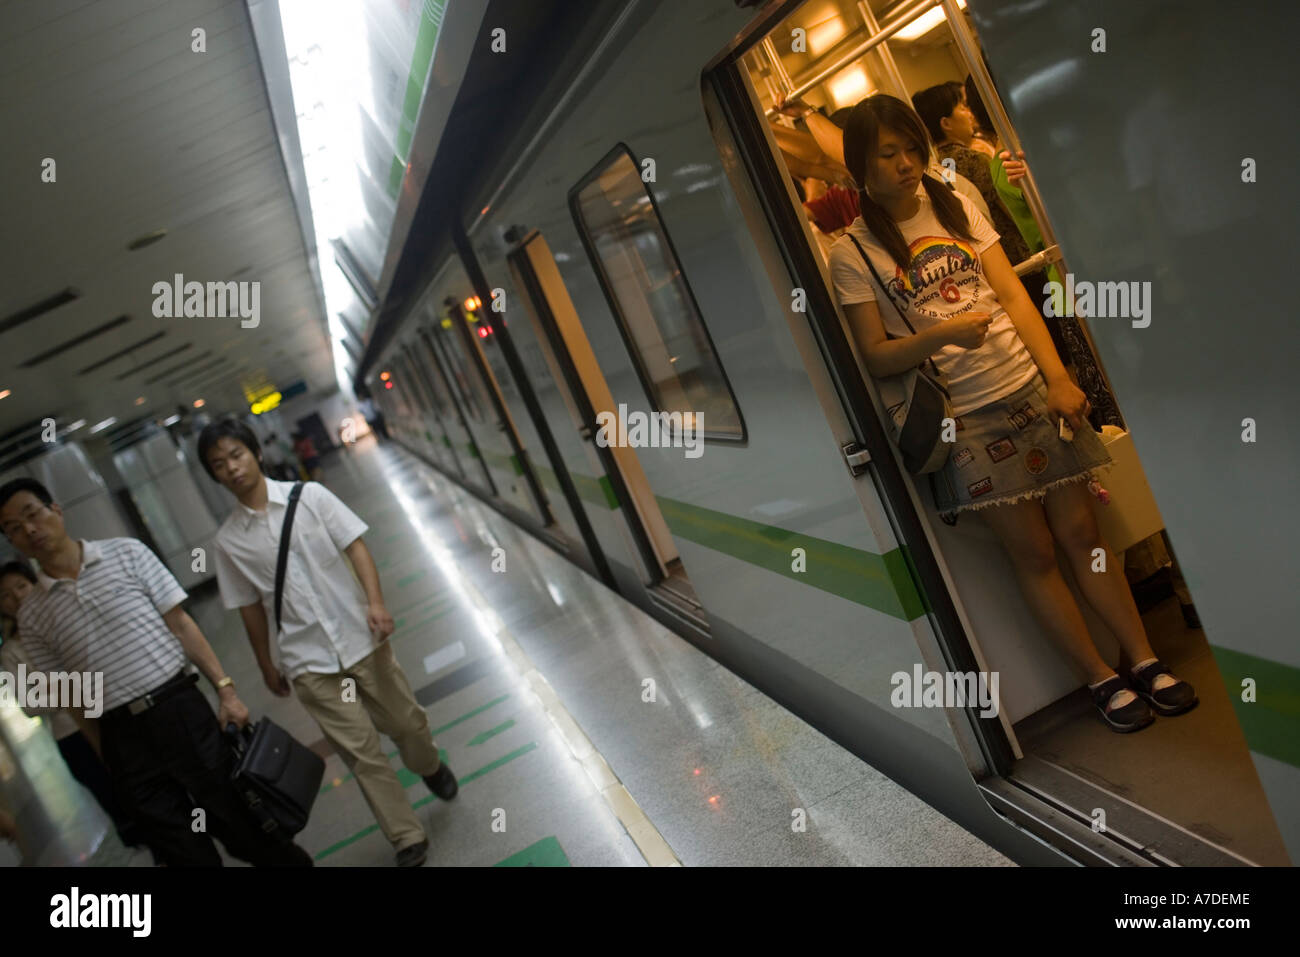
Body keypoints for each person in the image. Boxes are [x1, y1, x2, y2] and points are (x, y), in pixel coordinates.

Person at [827, 95, 1197, 733]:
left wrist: (1058, 377)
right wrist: (941, 338)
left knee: (1084, 536)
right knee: (1033, 555)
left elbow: (1016, 300)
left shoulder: (956, 200)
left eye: (912, 148)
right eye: (889, 155)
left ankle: (1144, 658)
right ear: (860, 164)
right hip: (963, 420)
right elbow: (876, 356)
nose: (908, 164)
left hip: (1028, 389)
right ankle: (1099, 678)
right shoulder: (852, 253)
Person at [0, 479, 313, 867]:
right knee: (180, 848)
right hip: (119, 734)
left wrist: (226, 690)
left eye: (32, 515)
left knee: (238, 819)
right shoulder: (32, 616)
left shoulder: (127, 554)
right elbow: (71, 697)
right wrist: (106, 756)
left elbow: (181, 624)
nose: (29, 530)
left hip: (177, 707)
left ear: (56, 510)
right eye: (13, 528)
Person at [197, 419, 458, 867]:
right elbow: (249, 608)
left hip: (362, 638)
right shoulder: (228, 542)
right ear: (215, 476)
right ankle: (406, 836)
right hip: (308, 661)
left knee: (407, 725)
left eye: (236, 455)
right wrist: (265, 664)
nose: (231, 469)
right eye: (219, 465)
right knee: (363, 753)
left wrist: (375, 603)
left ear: (256, 453)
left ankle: (428, 764)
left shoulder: (310, 497)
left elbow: (356, 547)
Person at [1, 561, 149, 855]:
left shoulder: (65, 620)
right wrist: (75, 687)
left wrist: (55, 687)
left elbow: (103, 666)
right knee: (114, 798)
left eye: (21, 586)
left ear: (34, 584)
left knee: (145, 787)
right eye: (5, 594)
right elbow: (30, 705)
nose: (17, 597)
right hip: (72, 737)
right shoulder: (10, 652)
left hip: (110, 715)